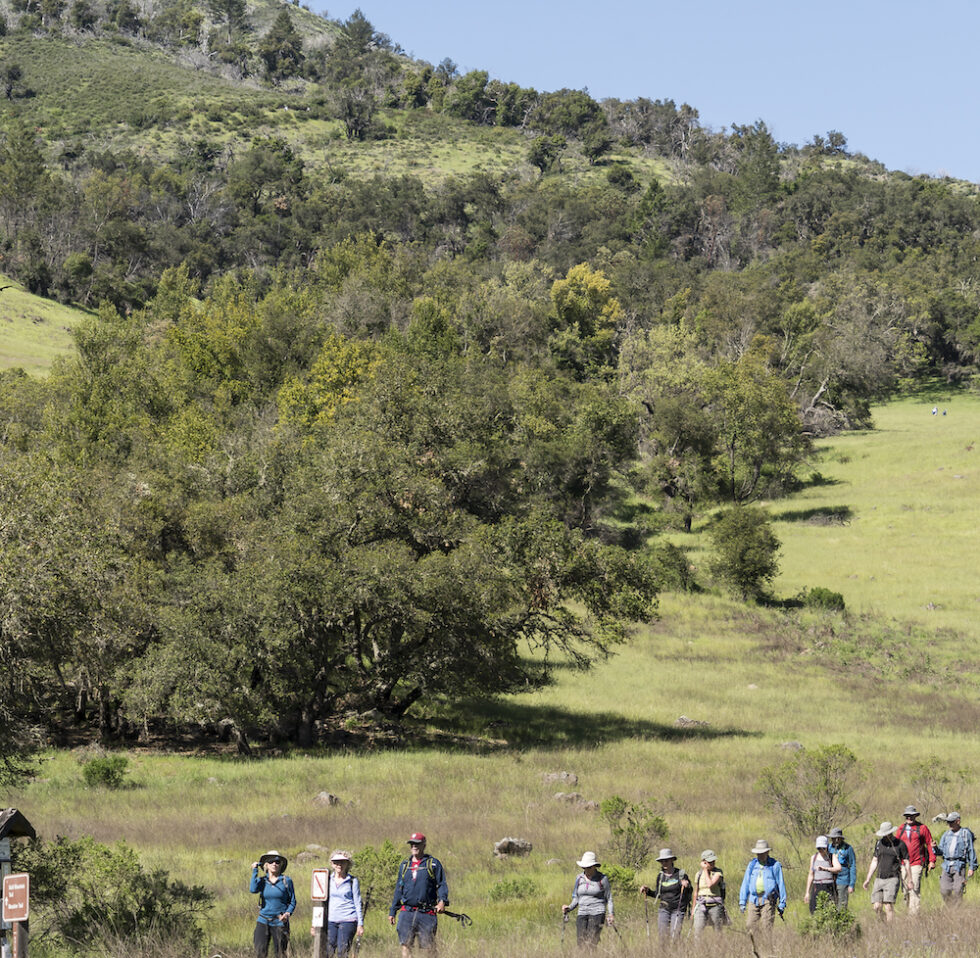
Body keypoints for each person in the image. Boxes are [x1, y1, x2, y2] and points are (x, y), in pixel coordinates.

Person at [389, 833, 449, 958]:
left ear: (424, 845)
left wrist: (442, 901)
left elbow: (441, 884)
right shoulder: (405, 866)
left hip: (427, 913)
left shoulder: (433, 864)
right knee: (405, 946)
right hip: (407, 912)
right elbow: (399, 889)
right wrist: (393, 911)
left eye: (417, 844)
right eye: (412, 844)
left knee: (429, 949)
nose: (414, 846)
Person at [250, 850, 297, 958]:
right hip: (263, 920)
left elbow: (292, 901)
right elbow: (253, 889)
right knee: (260, 952)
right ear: (266, 864)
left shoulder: (286, 881)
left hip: (280, 922)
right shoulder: (262, 881)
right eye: (271, 861)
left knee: (280, 954)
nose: (274, 864)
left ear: (280, 865)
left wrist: (287, 914)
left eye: (277, 862)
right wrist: (255, 870)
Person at [562, 851, 614, 947]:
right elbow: (576, 897)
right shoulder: (579, 878)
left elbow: (609, 898)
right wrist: (569, 908)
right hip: (582, 913)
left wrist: (611, 914)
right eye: (584, 867)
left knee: (591, 942)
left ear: (594, 866)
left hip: (598, 912)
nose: (586, 869)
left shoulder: (602, 878)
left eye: (589, 867)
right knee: (581, 942)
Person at [863, 821, 910, 921]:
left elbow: (906, 862)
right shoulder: (879, 843)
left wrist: (909, 879)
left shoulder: (900, 844)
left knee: (888, 906)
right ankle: (884, 921)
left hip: (892, 878)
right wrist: (868, 879)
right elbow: (875, 860)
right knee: (876, 906)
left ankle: (890, 927)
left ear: (891, 832)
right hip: (879, 878)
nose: (885, 836)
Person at [640, 848, 691, 940]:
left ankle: (677, 949)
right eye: (662, 861)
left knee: (675, 936)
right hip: (664, 909)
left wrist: (687, 885)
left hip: (678, 909)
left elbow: (690, 890)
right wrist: (647, 891)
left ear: (671, 860)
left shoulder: (680, 874)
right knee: (662, 936)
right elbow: (658, 894)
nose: (664, 863)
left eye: (666, 860)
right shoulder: (660, 876)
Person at [894, 805, 935, 915]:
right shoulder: (901, 829)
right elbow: (896, 846)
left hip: (917, 863)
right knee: (905, 890)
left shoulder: (923, 828)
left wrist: (932, 861)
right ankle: (907, 912)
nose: (909, 818)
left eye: (911, 815)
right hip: (903, 864)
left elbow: (929, 844)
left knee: (914, 889)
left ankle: (913, 917)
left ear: (915, 816)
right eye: (907, 815)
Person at [738, 839, 787, 931]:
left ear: (767, 852)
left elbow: (781, 884)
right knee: (750, 926)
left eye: (762, 853)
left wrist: (782, 903)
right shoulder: (752, 865)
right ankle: (755, 940)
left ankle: (765, 941)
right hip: (753, 899)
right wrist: (742, 901)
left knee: (766, 927)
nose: (759, 855)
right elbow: (746, 883)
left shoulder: (775, 865)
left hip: (768, 900)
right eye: (758, 853)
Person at [326, 850, 364, 957]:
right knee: (328, 951)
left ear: (347, 864)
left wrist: (360, 924)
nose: (339, 865)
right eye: (336, 862)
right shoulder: (327, 880)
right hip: (331, 920)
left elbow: (357, 903)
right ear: (332, 864)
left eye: (342, 862)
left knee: (342, 951)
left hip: (348, 919)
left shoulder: (352, 881)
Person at [937, 811, 977, 902]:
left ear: (958, 821)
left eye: (951, 822)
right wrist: (935, 847)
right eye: (948, 822)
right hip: (946, 865)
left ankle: (957, 909)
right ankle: (950, 906)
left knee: (958, 889)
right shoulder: (946, 834)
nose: (949, 824)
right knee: (944, 889)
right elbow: (940, 851)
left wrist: (971, 867)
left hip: (959, 865)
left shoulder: (965, 834)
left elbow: (971, 850)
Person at [691, 849, 727, 935]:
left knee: (717, 931)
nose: (712, 863)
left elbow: (710, 884)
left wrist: (705, 870)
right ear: (704, 862)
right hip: (701, 904)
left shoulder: (718, 872)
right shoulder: (698, 874)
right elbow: (696, 892)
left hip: (715, 904)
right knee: (698, 930)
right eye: (709, 862)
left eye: (713, 861)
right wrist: (693, 909)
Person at [803, 836, 841, 912]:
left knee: (830, 910)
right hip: (816, 887)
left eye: (823, 848)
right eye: (819, 848)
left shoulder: (831, 856)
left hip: (829, 887)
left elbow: (838, 868)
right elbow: (811, 875)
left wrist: (825, 869)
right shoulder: (814, 858)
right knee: (814, 910)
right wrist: (807, 892)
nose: (821, 850)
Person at [829, 827, 857, 909]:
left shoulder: (848, 848)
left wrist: (851, 884)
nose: (836, 840)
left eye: (837, 838)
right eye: (833, 838)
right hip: (830, 880)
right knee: (831, 905)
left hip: (843, 880)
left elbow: (852, 866)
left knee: (842, 906)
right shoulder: (828, 848)